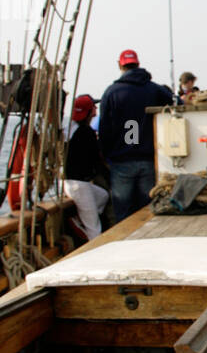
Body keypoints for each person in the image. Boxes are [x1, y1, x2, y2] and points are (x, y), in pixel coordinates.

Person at [98, 49, 173, 222]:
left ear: (120, 65)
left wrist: (106, 155)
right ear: (138, 65)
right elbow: (177, 105)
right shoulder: (154, 90)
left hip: (121, 161)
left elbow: (104, 129)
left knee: (123, 213)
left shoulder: (112, 92)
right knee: (148, 210)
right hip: (148, 159)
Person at [63, 94, 110, 241]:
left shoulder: (70, 130)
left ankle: (79, 218)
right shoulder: (87, 134)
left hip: (68, 183)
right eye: (93, 108)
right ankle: (94, 255)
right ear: (89, 112)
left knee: (103, 196)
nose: (96, 110)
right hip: (80, 185)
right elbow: (96, 160)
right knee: (94, 229)